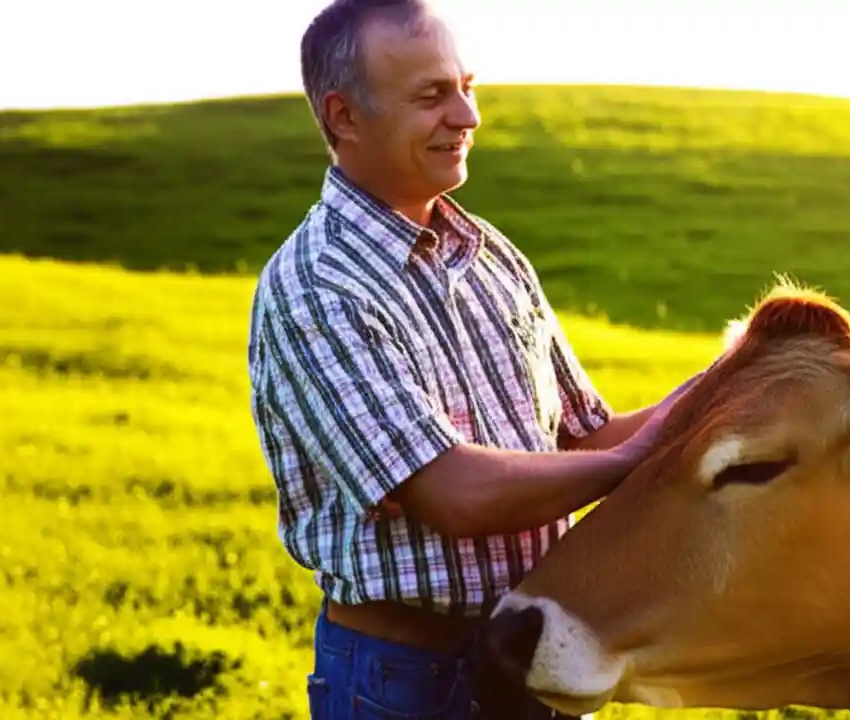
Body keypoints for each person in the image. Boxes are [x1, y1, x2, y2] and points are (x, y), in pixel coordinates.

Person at [245, 1, 699, 718]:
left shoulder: (490, 255)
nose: (467, 115)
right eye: (432, 95)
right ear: (344, 117)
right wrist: (634, 459)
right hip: (402, 679)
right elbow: (452, 493)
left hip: (531, 656)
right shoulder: (317, 288)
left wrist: (718, 392)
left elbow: (581, 438)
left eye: (467, 85)